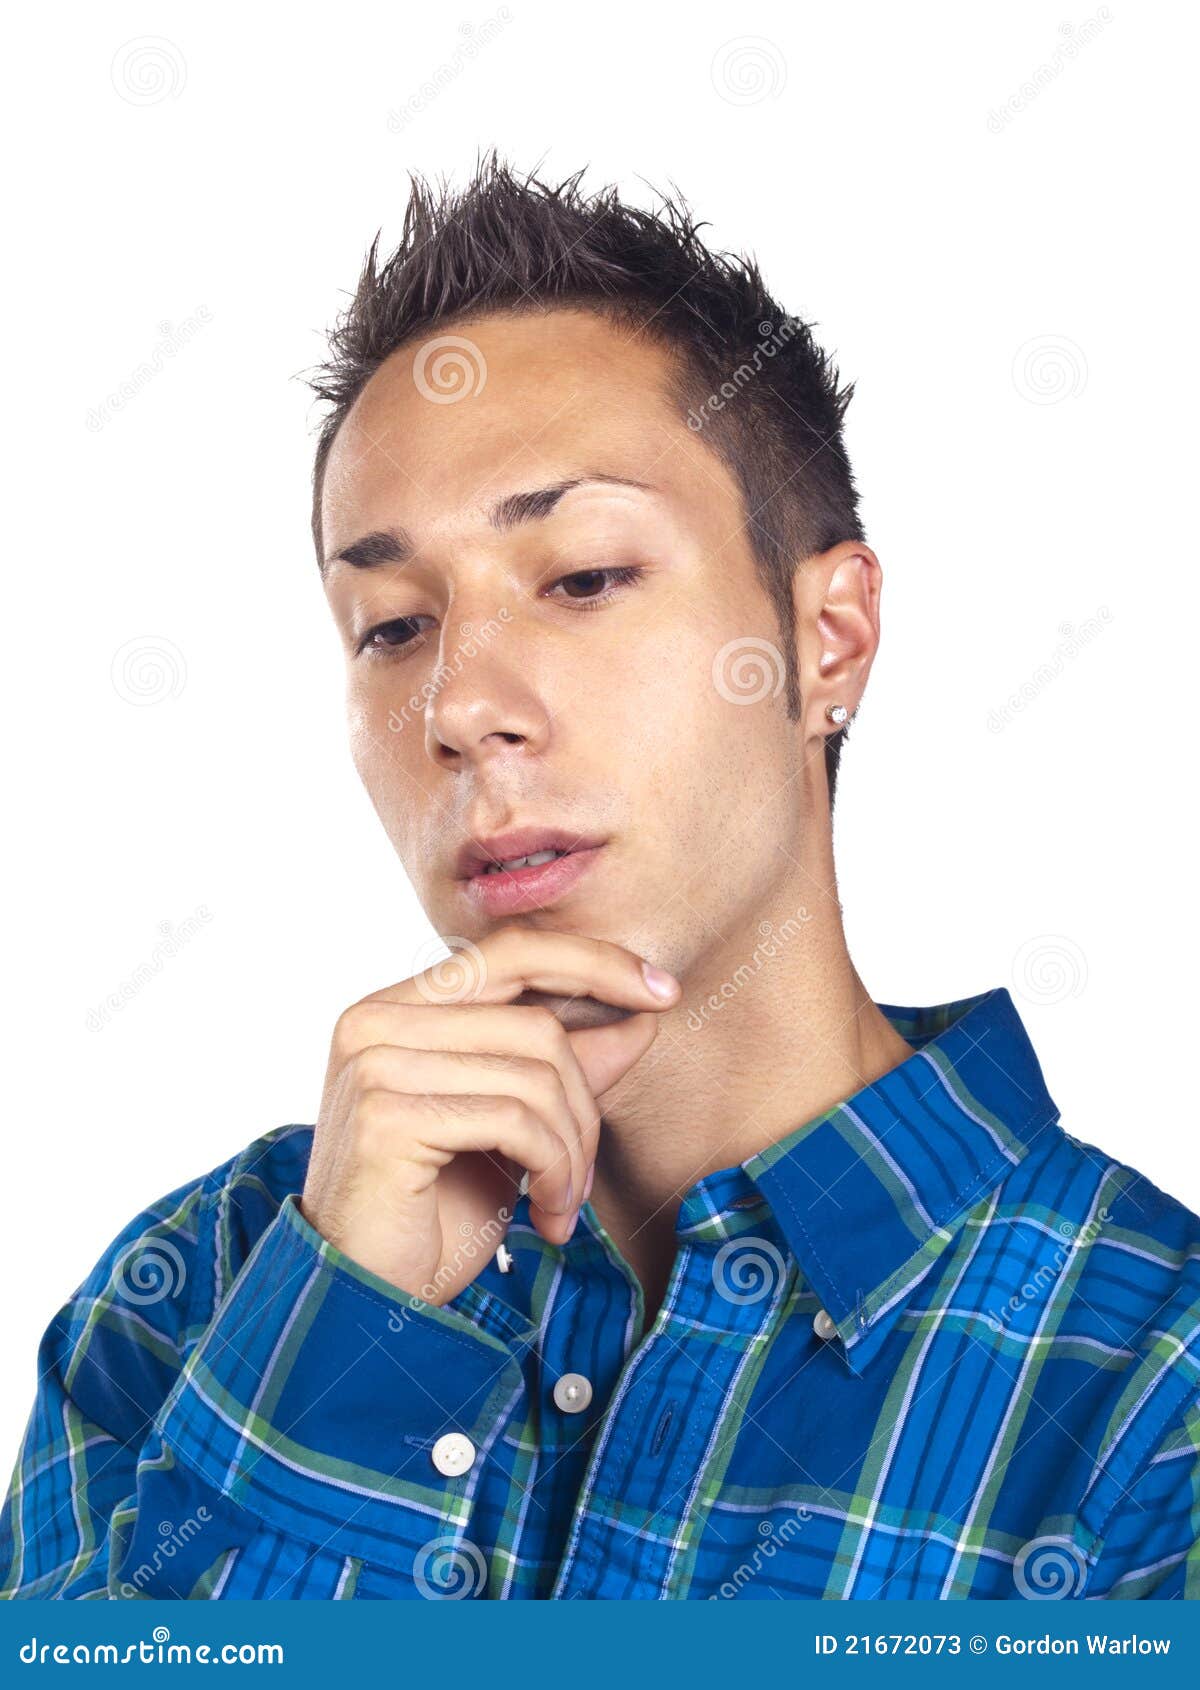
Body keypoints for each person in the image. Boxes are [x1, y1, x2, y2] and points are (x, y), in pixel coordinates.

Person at [4, 157, 1198, 1602]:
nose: (459, 705)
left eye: (577, 577)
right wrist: (346, 1343)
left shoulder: (1152, 1390)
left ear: (826, 641)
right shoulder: (195, 1295)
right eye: (389, 625)